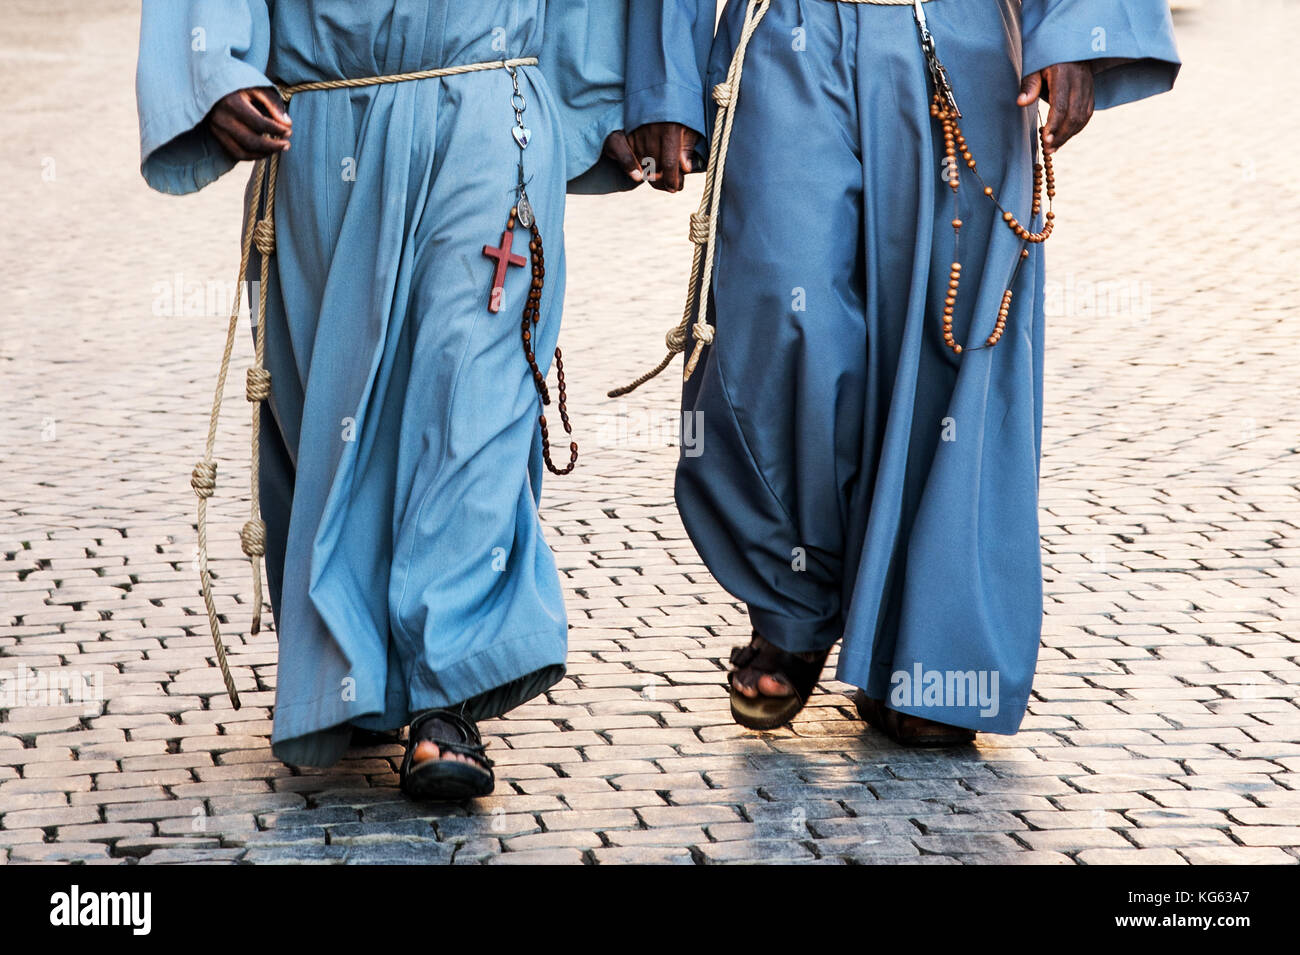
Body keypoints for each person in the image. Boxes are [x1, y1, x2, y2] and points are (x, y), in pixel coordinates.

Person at [135, 0, 704, 798]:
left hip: (487, 99)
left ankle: (445, 696)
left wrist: (618, 92)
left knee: (474, 390)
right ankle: (358, 666)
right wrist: (216, 65)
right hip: (321, 117)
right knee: (330, 417)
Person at [623, 0, 1179, 745]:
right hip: (788, 34)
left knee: (953, 341)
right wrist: (667, 79)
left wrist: (1076, 29)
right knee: (782, 310)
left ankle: (933, 651)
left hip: (964, 41)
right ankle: (795, 597)